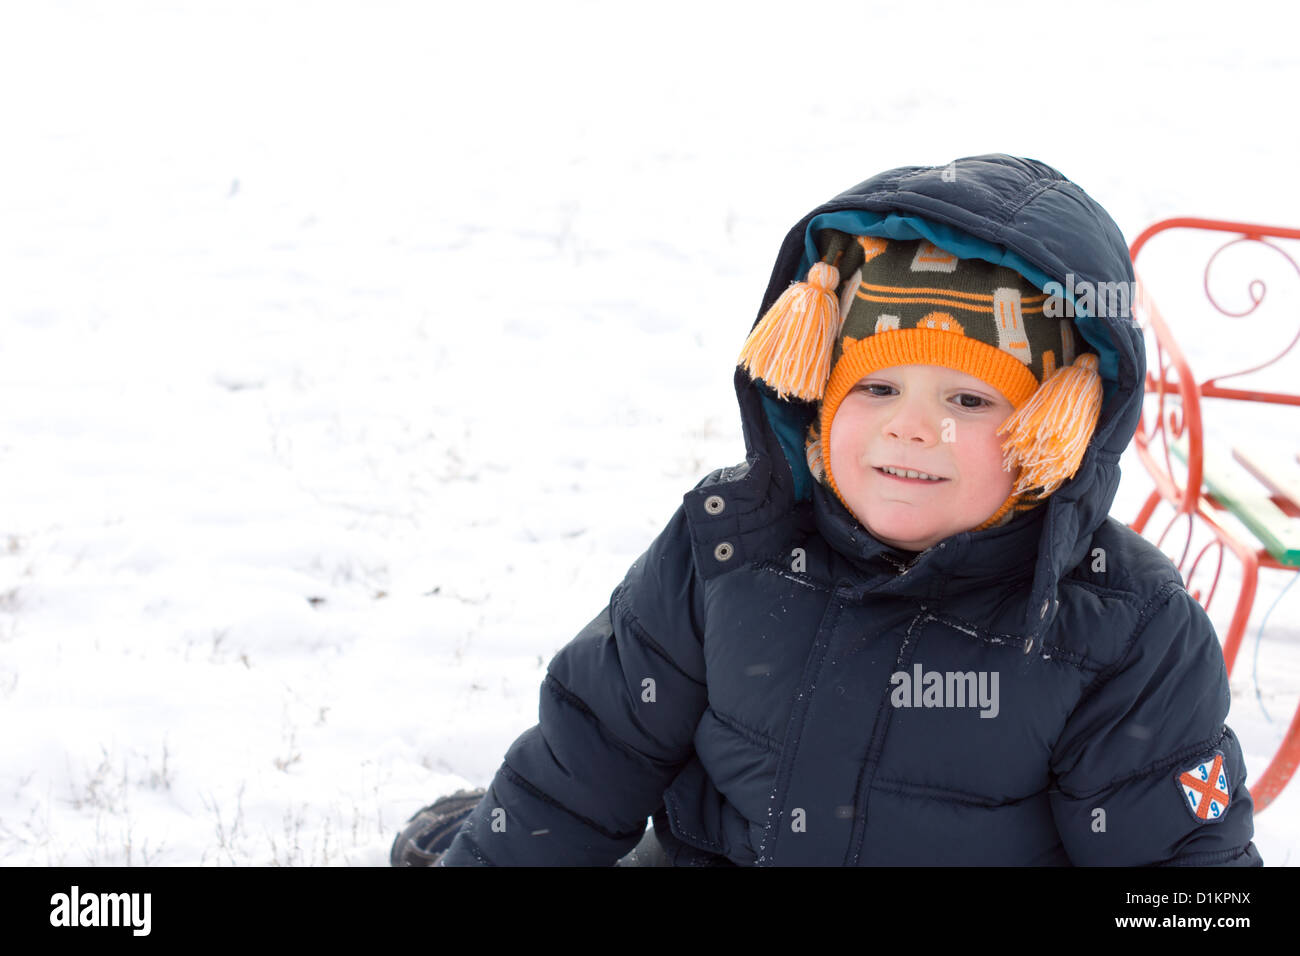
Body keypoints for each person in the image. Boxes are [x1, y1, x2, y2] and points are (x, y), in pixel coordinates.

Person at [392, 154, 1262, 866]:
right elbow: (589, 759)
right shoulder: (732, 542)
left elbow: (1183, 865)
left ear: (1056, 429)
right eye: (876, 387)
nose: (911, 428)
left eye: (968, 401)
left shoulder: (1122, 629)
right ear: (818, 397)